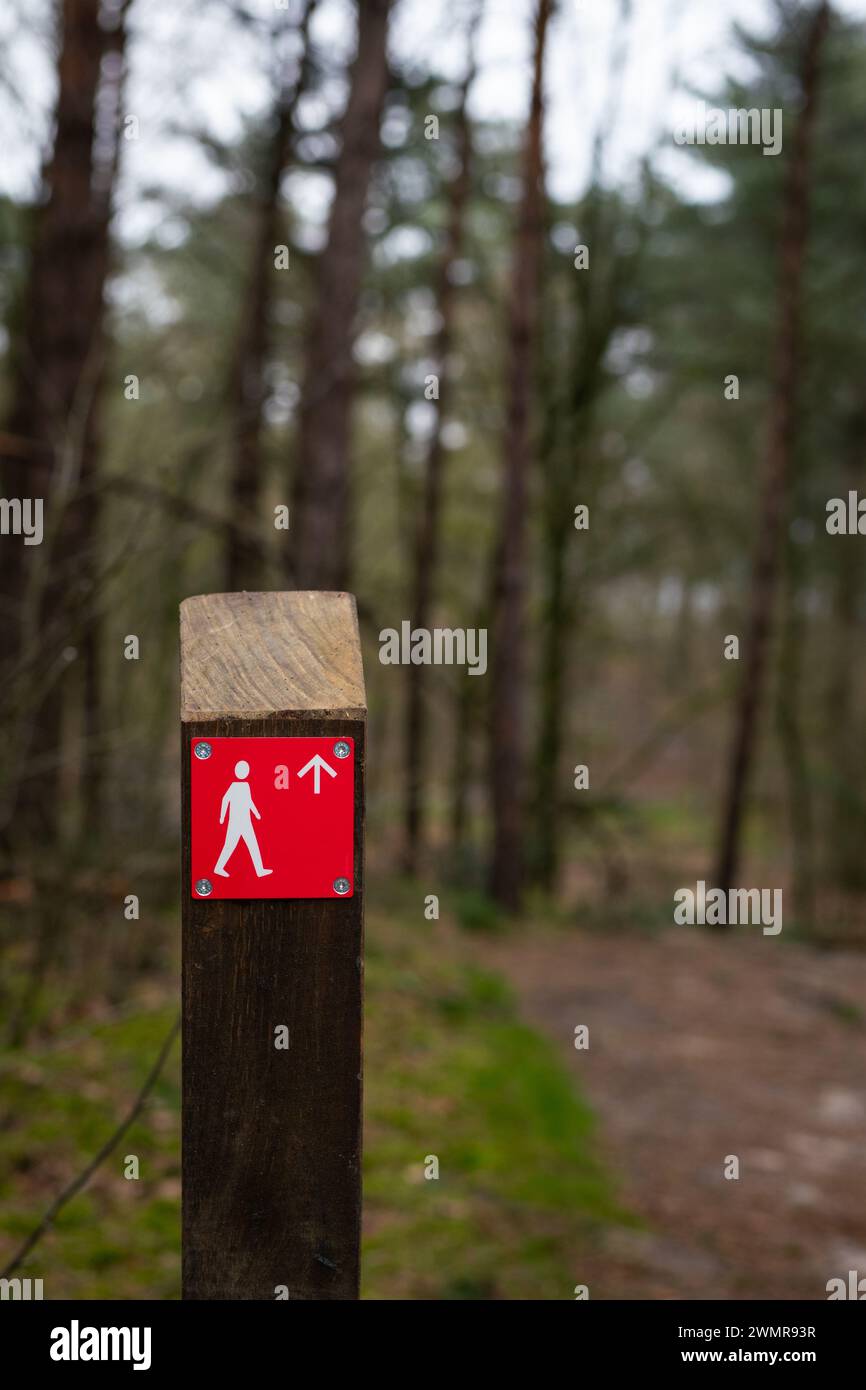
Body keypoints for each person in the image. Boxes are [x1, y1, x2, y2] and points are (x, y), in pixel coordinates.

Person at [214, 760, 273, 877]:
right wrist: (222, 817)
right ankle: (218, 867)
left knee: (253, 844)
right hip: (235, 822)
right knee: (229, 845)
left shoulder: (246, 785)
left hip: (246, 821)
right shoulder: (234, 786)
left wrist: (256, 813)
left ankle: (259, 870)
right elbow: (225, 799)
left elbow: (249, 801)